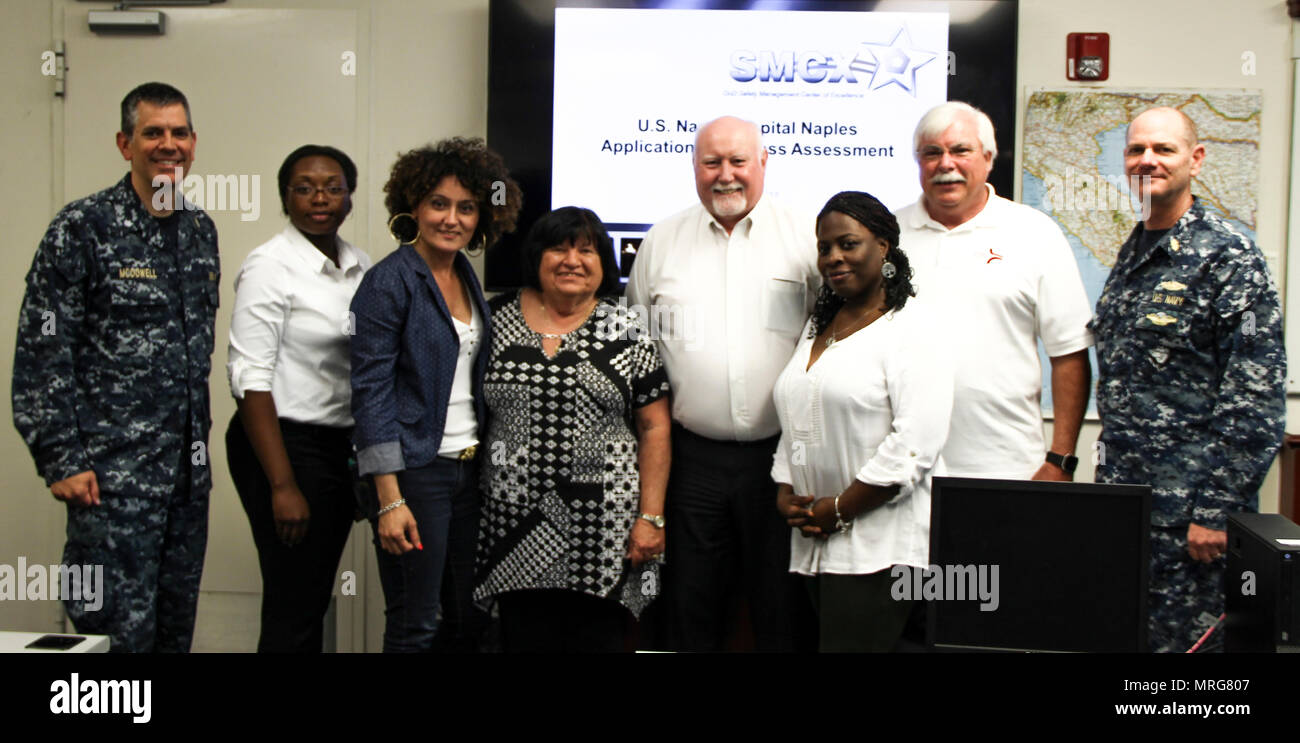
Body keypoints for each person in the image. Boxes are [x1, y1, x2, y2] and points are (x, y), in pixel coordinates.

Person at [12, 82, 219, 653]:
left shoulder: (201, 232)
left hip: (184, 480)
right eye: (153, 132)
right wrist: (61, 458)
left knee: (174, 634)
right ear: (125, 143)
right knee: (112, 643)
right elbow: (41, 350)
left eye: (179, 132)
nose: (168, 144)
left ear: (194, 143)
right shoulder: (83, 227)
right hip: (110, 482)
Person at [1090, 107, 1285, 653]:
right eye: (1135, 150)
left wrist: (1215, 512)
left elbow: (1256, 394)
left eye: (1163, 149)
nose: (1147, 160)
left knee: (1189, 669)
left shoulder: (1229, 255)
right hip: (1130, 510)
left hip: (1191, 525)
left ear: (1195, 160)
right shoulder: (1132, 254)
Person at [626, 115, 820, 652]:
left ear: (764, 163)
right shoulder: (662, 242)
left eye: (738, 161)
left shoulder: (807, 237)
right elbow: (639, 352)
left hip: (784, 462)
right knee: (690, 607)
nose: (725, 175)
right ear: (694, 167)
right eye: (712, 162)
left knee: (783, 609)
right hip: (692, 465)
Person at [350, 138, 521, 652]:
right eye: (438, 204)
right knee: (415, 622)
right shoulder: (388, 282)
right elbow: (370, 392)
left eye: (466, 208)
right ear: (414, 206)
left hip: (467, 472)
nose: (452, 219)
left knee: (466, 618)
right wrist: (389, 499)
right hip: (415, 474)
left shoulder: (464, 274)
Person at [473, 207, 672, 652]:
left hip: (604, 527)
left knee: (598, 639)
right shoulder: (494, 318)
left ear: (603, 262)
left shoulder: (629, 328)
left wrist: (651, 517)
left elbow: (654, 426)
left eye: (586, 250)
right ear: (536, 257)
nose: (572, 260)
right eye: (558, 248)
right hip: (512, 521)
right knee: (522, 638)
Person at [772, 191, 951, 652]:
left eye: (848, 244)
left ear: (884, 248)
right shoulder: (821, 324)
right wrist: (786, 491)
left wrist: (841, 508)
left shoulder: (913, 326)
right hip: (817, 544)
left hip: (881, 549)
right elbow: (797, 409)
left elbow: (915, 443)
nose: (833, 257)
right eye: (824, 247)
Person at [897, 101, 1093, 481]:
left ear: (988, 159)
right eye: (931, 153)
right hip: (902, 464)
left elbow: (1068, 352)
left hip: (1007, 464)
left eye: (960, 150)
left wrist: (1060, 460)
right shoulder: (887, 235)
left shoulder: (1035, 233)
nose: (945, 164)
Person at [225, 145, 369, 652]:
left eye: (333, 186)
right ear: (285, 197)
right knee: (295, 602)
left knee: (310, 595)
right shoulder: (271, 265)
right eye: (304, 187)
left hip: (334, 448)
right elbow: (249, 377)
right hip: (280, 443)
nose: (319, 198)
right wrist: (282, 485)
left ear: (350, 196)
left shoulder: (358, 264)